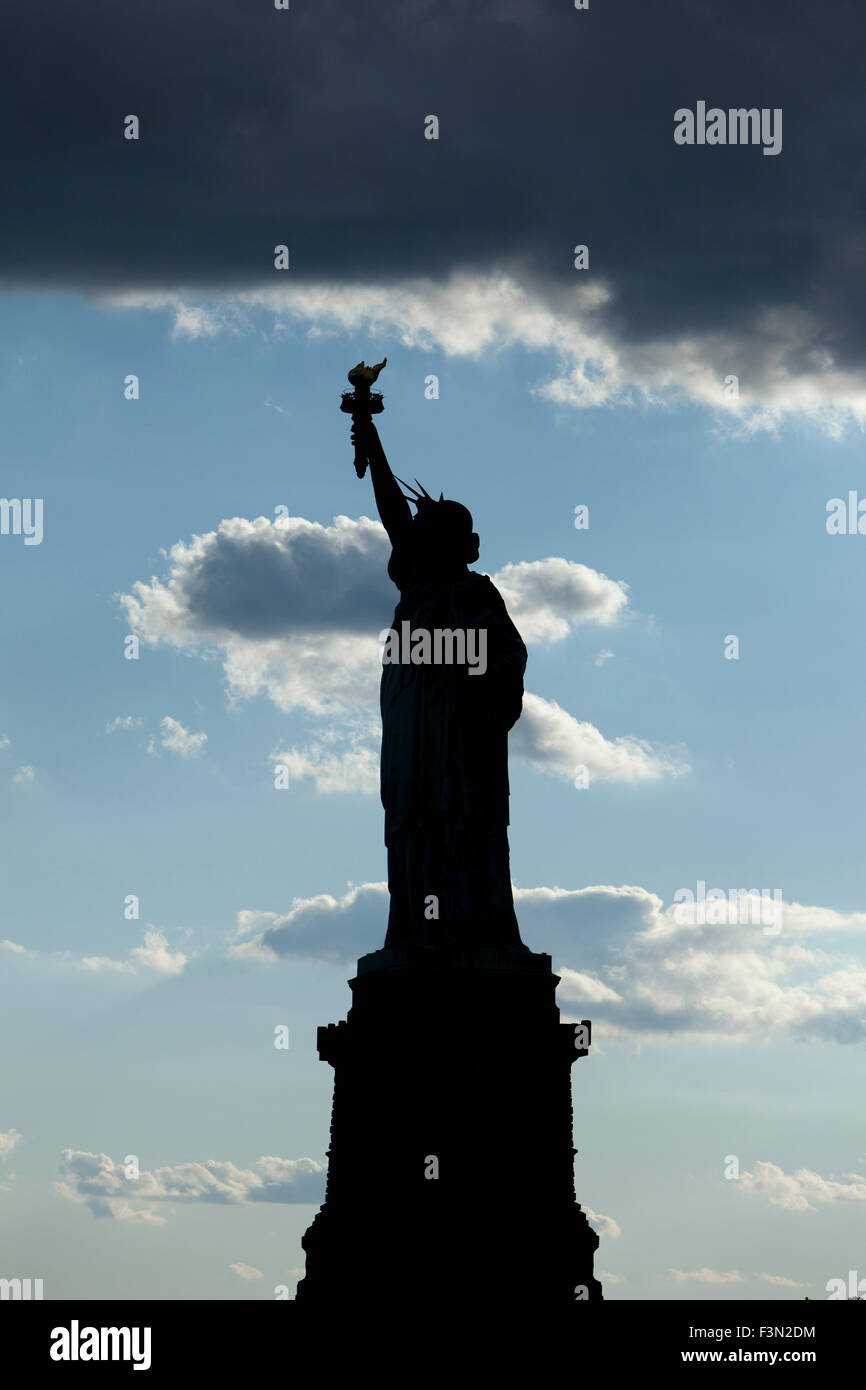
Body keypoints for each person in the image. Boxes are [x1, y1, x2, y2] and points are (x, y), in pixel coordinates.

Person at [352, 415, 528, 950]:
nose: (431, 542)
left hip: (466, 743)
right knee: (418, 828)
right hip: (417, 739)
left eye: (447, 535)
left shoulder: (479, 597)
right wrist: (368, 433)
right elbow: (391, 510)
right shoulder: (420, 581)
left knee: (470, 829)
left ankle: (481, 934)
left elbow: (509, 658)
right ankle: (416, 933)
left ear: (470, 545)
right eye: (428, 535)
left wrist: (469, 671)